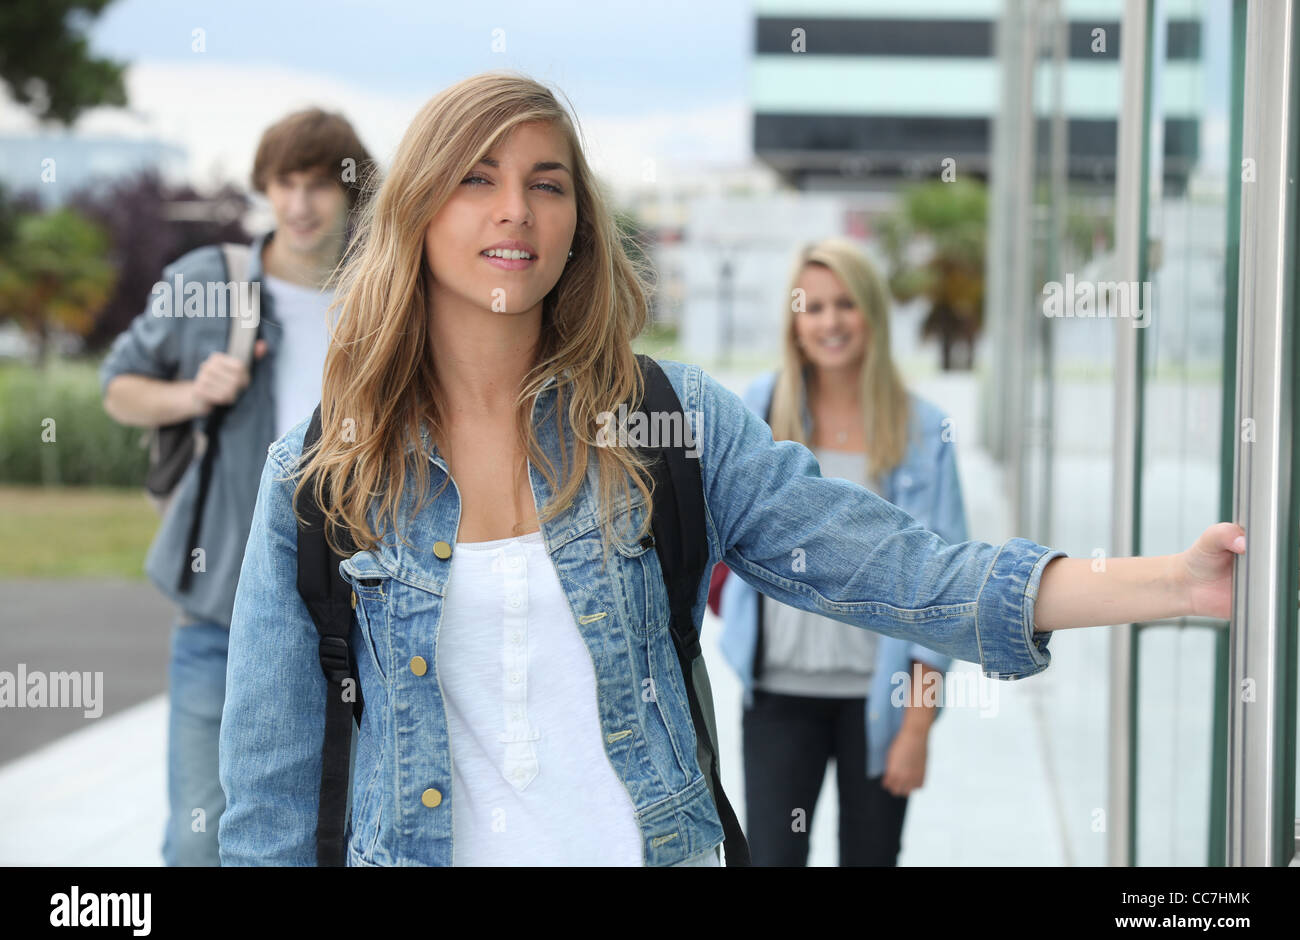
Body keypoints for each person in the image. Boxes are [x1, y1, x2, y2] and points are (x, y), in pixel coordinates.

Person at [216, 71, 1246, 867]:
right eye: (475, 178)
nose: (513, 211)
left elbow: (905, 571)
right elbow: (268, 788)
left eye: (547, 182)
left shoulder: (669, 422)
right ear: (417, 213)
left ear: (578, 223)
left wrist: (1175, 583)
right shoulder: (322, 474)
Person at [99, 108, 375, 866]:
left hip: (355, 611)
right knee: (199, 839)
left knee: (350, 836)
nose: (301, 203)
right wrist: (192, 395)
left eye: (321, 184)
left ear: (351, 193)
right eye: (286, 182)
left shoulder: (387, 296)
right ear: (265, 187)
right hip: (219, 608)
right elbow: (118, 386)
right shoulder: (209, 283)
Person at [716, 237, 963, 866]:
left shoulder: (922, 430)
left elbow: (947, 590)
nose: (829, 322)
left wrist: (916, 728)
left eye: (845, 305)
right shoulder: (760, 409)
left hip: (877, 702)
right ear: (795, 323)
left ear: (872, 314)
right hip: (777, 695)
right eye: (813, 307)